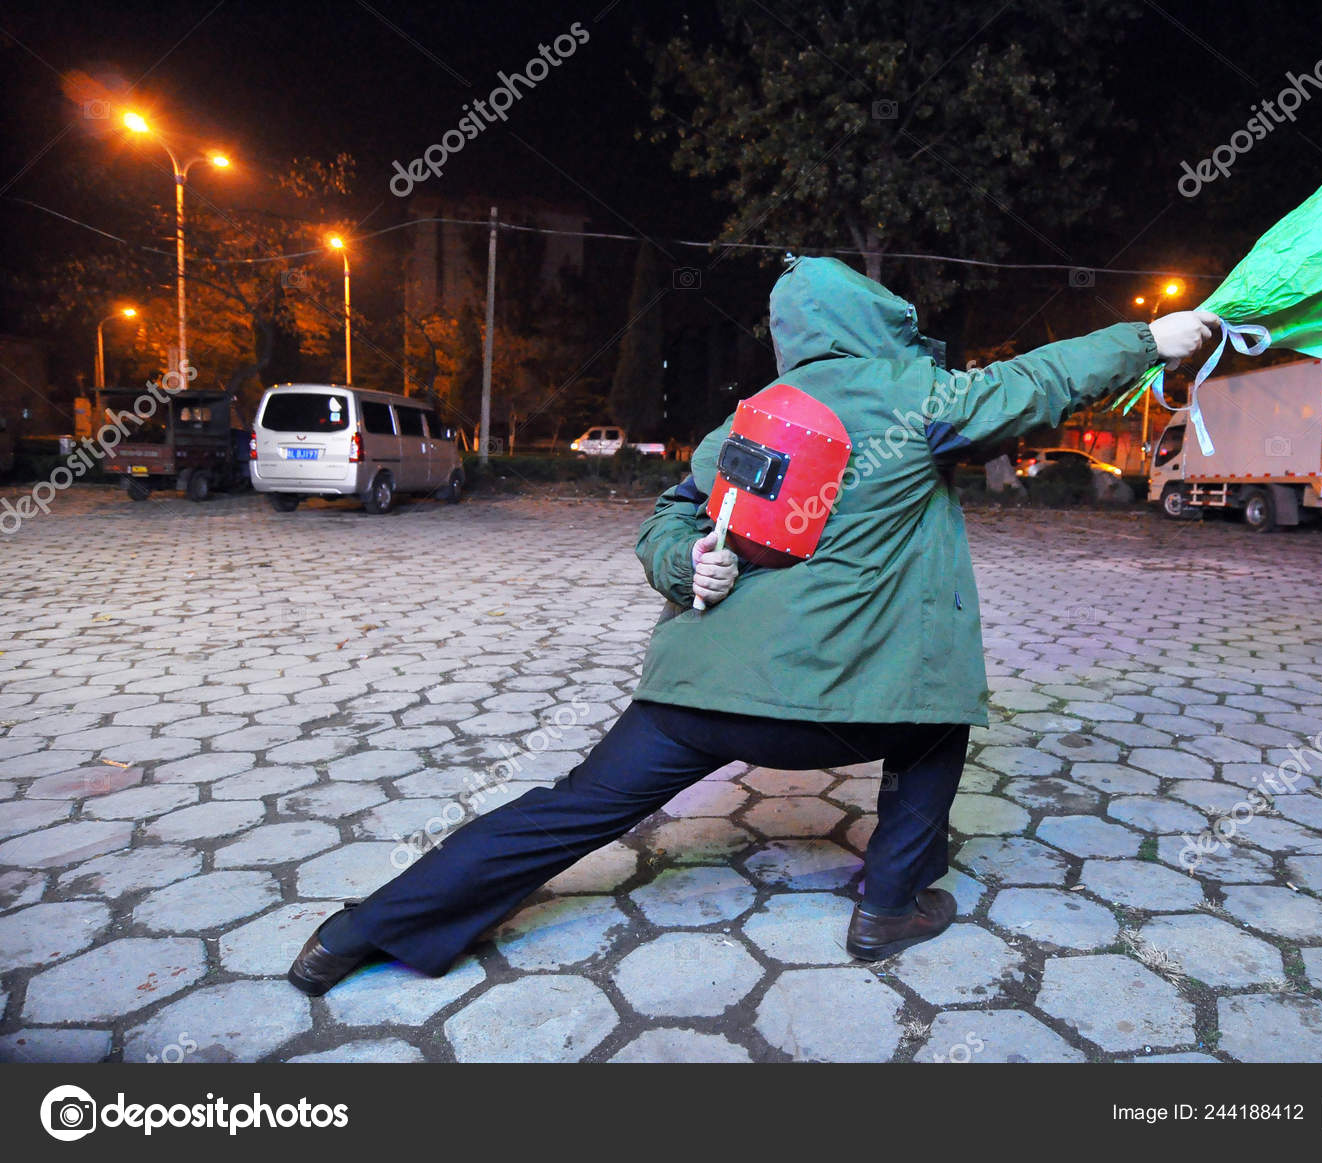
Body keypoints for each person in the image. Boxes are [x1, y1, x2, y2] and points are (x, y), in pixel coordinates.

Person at [288, 256, 1219, 995]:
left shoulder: (747, 417)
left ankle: (354, 933)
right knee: (939, 717)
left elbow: (666, 518)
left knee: (565, 810)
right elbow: (1037, 380)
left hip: (694, 699)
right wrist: (1151, 338)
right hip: (842, 709)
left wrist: (682, 561)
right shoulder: (916, 396)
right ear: (870, 321)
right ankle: (887, 907)